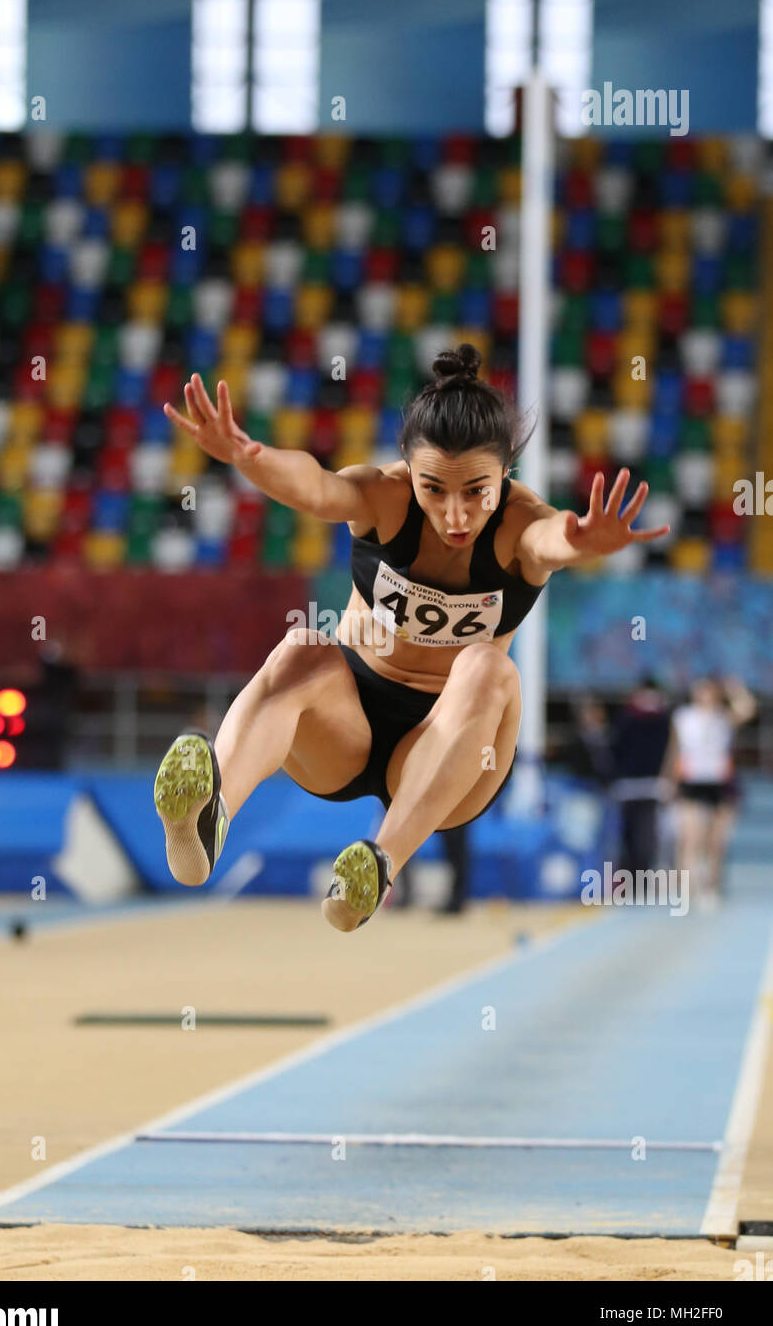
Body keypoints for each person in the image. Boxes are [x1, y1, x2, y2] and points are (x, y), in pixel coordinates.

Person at [154, 344, 669, 932]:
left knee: (489, 667)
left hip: (451, 749)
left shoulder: (522, 525)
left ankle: (378, 865)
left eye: (476, 491)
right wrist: (251, 458)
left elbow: (553, 540)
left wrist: (584, 543)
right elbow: (316, 488)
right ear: (408, 468)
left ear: (506, 474)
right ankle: (209, 815)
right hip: (346, 730)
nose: (455, 515)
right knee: (303, 647)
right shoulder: (385, 497)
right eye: (435, 489)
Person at [667, 676, 756, 909]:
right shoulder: (684, 717)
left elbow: (748, 709)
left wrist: (734, 688)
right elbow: (674, 750)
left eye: (708, 691)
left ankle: (711, 887)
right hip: (692, 781)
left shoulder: (723, 718)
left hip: (718, 782)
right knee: (691, 838)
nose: (703, 695)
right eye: (700, 690)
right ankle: (688, 888)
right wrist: (669, 780)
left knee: (716, 842)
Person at [610, 678, 671, 875]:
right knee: (626, 834)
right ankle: (627, 874)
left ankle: (642, 874)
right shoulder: (626, 719)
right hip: (627, 785)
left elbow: (669, 752)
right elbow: (617, 749)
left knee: (646, 835)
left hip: (651, 785)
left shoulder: (663, 721)